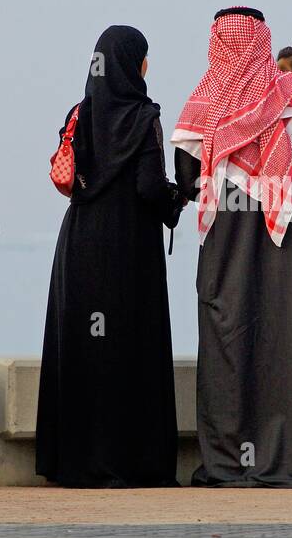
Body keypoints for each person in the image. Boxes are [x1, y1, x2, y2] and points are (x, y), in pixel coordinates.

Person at [171, 7, 292, 487]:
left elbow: (187, 182)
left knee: (229, 345)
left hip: (225, 253)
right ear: (263, 41)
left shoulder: (201, 108)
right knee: (289, 346)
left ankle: (229, 463)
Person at [37, 25, 184, 488]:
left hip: (80, 243)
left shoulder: (81, 112)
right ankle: (131, 461)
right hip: (128, 246)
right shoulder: (144, 116)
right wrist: (177, 201)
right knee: (129, 348)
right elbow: (148, 185)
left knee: (84, 346)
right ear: (134, 64)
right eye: (144, 59)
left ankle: (76, 462)